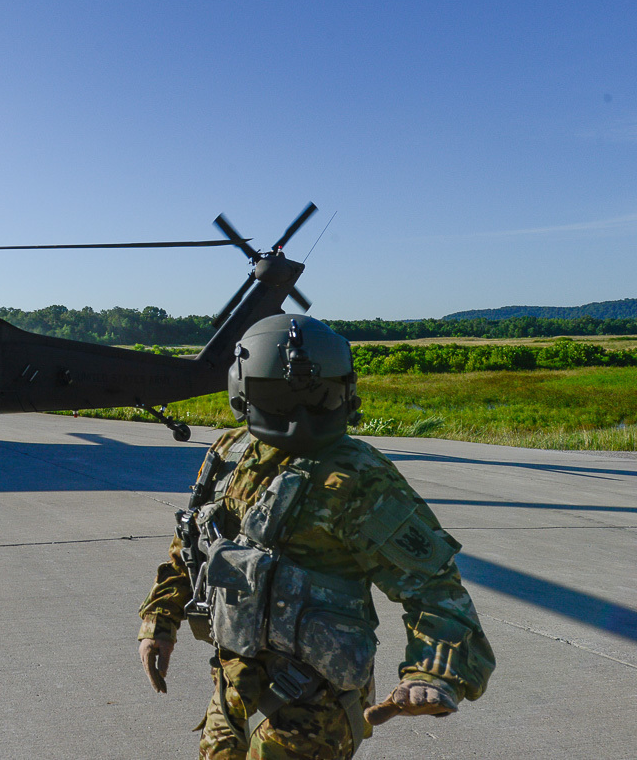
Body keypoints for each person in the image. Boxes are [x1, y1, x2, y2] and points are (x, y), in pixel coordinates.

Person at [137, 314, 494, 760]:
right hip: (231, 690)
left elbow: (434, 587)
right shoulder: (228, 453)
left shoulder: (357, 479)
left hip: (313, 708)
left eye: (319, 396)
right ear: (243, 392)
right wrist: (160, 621)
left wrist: (432, 674)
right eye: (279, 399)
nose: (301, 415)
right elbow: (193, 544)